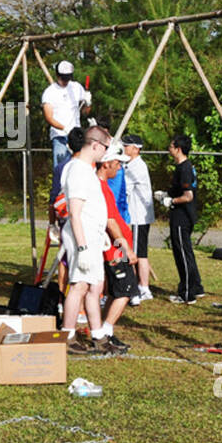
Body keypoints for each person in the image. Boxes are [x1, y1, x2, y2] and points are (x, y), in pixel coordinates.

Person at [60, 125, 112, 347]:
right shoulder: (78, 171)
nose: (106, 153)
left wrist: (101, 235)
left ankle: (98, 335)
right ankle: (68, 334)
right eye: (105, 148)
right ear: (95, 145)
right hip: (82, 237)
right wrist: (81, 248)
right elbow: (75, 213)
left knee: (96, 286)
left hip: (93, 236)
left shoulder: (86, 169)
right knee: (79, 285)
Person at [86, 143, 137, 351]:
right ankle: (106, 330)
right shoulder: (100, 187)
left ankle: (106, 330)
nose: (119, 168)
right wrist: (126, 248)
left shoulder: (104, 186)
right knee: (126, 291)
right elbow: (110, 221)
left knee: (116, 293)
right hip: (114, 250)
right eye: (117, 163)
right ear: (106, 163)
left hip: (115, 248)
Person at [159, 134, 204, 304]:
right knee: (187, 251)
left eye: (171, 146)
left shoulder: (184, 168)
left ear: (178, 149)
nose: (169, 149)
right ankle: (196, 287)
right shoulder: (182, 167)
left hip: (182, 217)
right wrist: (166, 194)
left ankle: (186, 293)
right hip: (183, 216)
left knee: (182, 254)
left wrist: (171, 201)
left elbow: (188, 196)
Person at [42, 60, 91, 167]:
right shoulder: (50, 92)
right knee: (61, 167)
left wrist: (88, 102)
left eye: (67, 78)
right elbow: (49, 117)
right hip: (60, 136)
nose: (65, 81)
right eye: (63, 78)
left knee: (79, 166)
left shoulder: (76, 87)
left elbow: (85, 113)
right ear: (57, 75)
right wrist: (64, 128)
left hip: (77, 136)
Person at [123, 134, 154, 301]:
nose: (124, 149)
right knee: (139, 252)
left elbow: (124, 187)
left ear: (136, 149)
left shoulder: (138, 167)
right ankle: (141, 285)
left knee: (139, 253)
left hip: (138, 216)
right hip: (137, 216)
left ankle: (143, 287)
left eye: (127, 146)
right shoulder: (131, 165)